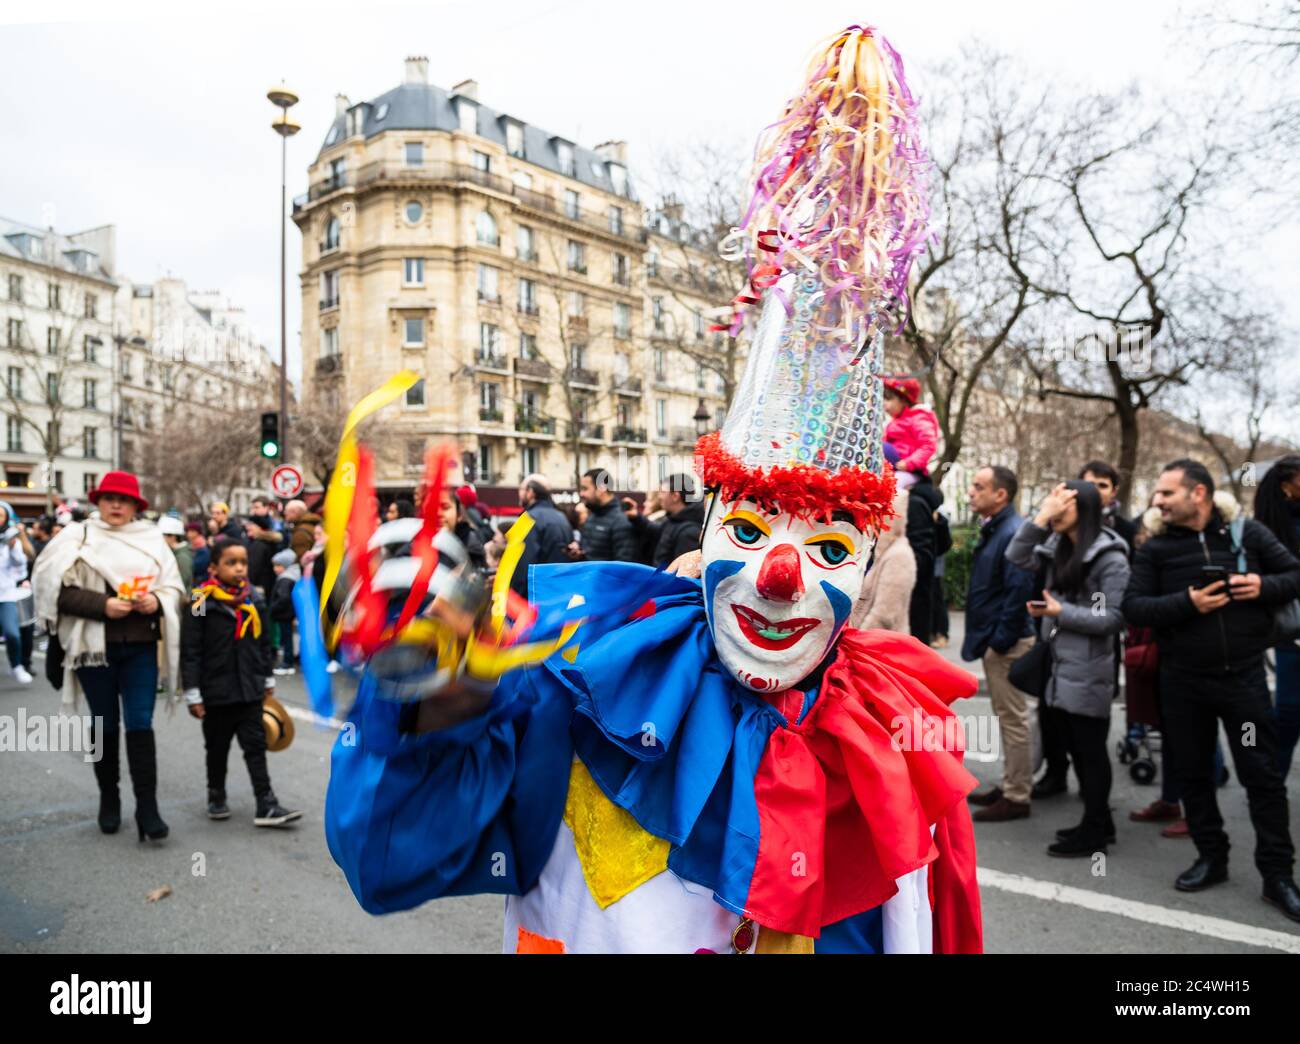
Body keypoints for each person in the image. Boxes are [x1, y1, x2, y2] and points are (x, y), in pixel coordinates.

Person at [324, 26, 982, 955]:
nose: (781, 577)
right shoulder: (585, 681)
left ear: (869, 573)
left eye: (830, 550)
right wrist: (440, 704)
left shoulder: (898, 737)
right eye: (751, 528)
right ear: (706, 530)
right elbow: (385, 868)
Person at [1122, 458, 1300, 921]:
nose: (1157, 501)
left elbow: (1296, 576)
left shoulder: (1249, 536)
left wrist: (1262, 584)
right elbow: (1134, 608)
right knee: (1194, 774)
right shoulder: (1156, 550)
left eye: (1167, 493)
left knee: (1261, 776)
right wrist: (1188, 602)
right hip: (1183, 682)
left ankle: (1278, 875)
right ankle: (1211, 858)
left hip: (1243, 678)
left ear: (1197, 493)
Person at [32, 471, 185, 840]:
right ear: (98, 502)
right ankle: (109, 799)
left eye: (124, 499)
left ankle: (147, 809)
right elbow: (54, 593)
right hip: (93, 651)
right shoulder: (76, 537)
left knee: (139, 725)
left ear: (135, 505)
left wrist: (157, 600)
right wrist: (104, 604)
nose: (116, 505)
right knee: (104, 725)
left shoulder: (152, 540)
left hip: (141, 649)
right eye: (109, 498)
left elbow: (175, 588)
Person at [1007, 481, 1130, 856]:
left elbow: (1112, 618)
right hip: (1058, 666)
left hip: (1090, 668)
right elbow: (1016, 554)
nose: (1056, 514)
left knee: (1090, 752)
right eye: (1053, 506)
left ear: (1086, 510)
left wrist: (1062, 613)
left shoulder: (1111, 557)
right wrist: (1042, 516)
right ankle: (1100, 823)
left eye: (1064, 507)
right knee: (1076, 748)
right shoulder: (1058, 546)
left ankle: (1095, 833)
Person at [183, 538, 301, 827]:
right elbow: (191, 648)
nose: (239, 569)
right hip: (215, 690)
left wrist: (267, 677)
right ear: (213, 567)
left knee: (256, 746)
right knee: (217, 747)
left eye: (243, 563)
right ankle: (216, 794)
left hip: (249, 688)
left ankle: (266, 804)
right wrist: (193, 692)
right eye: (231, 563)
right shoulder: (200, 599)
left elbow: (263, 644)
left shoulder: (254, 599)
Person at [962, 465, 1036, 822]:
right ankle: (1011, 785)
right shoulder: (1000, 528)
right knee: (1007, 717)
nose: (971, 492)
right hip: (998, 639)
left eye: (978, 486)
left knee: (1012, 719)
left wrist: (1000, 641)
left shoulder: (1012, 531)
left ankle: (1017, 795)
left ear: (1001, 494)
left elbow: (1018, 590)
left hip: (1006, 642)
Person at [1253, 455, 1300, 776]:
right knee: (1289, 710)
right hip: (1292, 631)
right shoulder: (1268, 530)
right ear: (1286, 486)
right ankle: (1271, 780)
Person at [850, 489, 916, 632]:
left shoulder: (899, 556)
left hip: (878, 646)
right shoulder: (879, 551)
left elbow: (885, 615)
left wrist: (854, 642)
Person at [512, 477, 572, 598]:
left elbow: (522, 566)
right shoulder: (561, 517)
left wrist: (516, 597)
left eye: (521, 489)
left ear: (531, 492)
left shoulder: (528, 518)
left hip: (534, 598)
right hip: (558, 594)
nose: (519, 493)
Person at [0, 504, 36, 683]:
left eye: (0, 516)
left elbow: (20, 570)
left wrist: (13, 547)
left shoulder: (12, 540)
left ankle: (16, 666)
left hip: (5, 596)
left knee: (12, 634)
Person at [881, 377, 939, 484]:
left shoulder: (918, 417)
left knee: (897, 483)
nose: (884, 403)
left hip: (909, 470)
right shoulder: (895, 421)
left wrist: (909, 463)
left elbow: (928, 445)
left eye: (889, 399)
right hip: (895, 465)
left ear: (903, 400)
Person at [577, 468, 638, 563]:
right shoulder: (592, 516)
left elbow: (623, 565)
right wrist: (578, 551)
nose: (581, 494)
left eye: (585, 489)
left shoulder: (621, 520)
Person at [1078, 460, 1137, 553]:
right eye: (1090, 484)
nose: (1096, 490)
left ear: (1114, 492)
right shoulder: (1065, 523)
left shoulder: (1127, 530)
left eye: (1103, 485)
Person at [652, 474, 705, 569]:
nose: (659, 496)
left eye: (663, 492)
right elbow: (653, 530)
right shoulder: (673, 520)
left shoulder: (688, 532)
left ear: (675, 496)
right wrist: (637, 519)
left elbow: (682, 574)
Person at [269, 548, 300, 673]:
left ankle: (288, 663)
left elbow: (284, 597)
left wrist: (273, 607)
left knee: (287, 638)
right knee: (287, 637)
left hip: (284, 614)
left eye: (278, 565)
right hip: (287, 613)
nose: (275, 568)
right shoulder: (291, 577)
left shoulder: (285, 579)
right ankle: (289, 660)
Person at [244, 513, 284, 600]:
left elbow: (253, 569)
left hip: (259, 588)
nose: (247, 527)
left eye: (251, 525)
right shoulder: (264, 542)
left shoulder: (259, 545)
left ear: (260, 527)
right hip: (266, 587)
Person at [157, 515, 193, 591]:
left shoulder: (182, 557)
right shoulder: (173, 552)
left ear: (172, 536)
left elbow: (182, 583)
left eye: (162, 536)